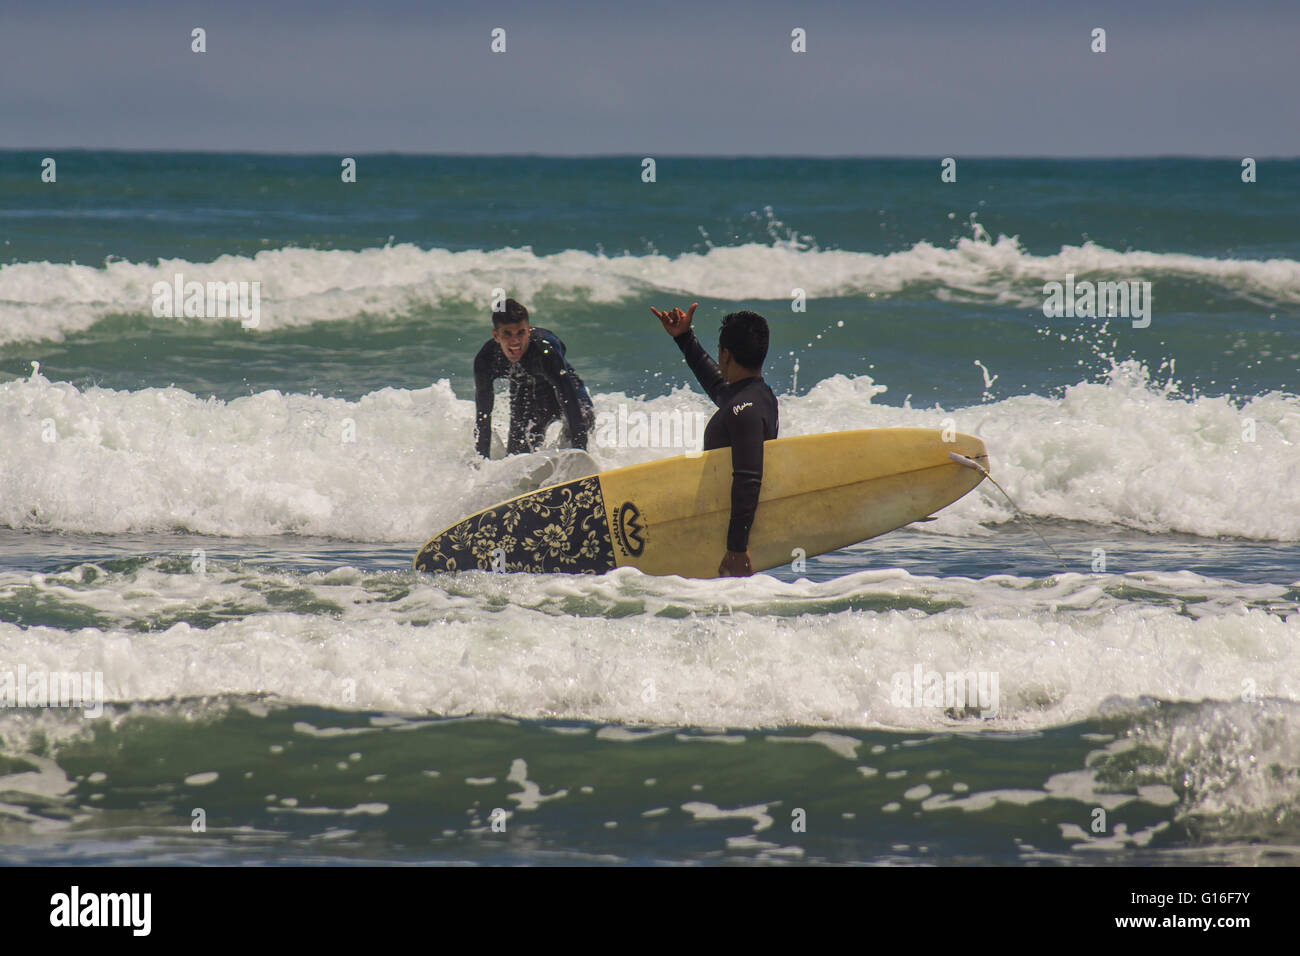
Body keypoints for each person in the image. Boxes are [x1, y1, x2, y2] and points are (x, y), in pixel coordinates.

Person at [651, 302, 778, 577]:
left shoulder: (743, 409)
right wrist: (684, 338)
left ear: (725, 354)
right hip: (725, 533)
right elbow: (719, 387)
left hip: (729, 543)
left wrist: (736, 549)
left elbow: (748, 478)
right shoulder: (757, 396)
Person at [473, 299, 595, 458]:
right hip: (527, 395)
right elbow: (483, 416)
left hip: (564, 388)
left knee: (584, 418)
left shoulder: (545, 351)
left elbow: (568, 399)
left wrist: (581, 453)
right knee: (517, 456)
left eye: (521, 333)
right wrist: (481, 462)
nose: (515, 341)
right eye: (507, 334)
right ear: (496, 335)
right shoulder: (486, 360)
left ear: (528, 331)